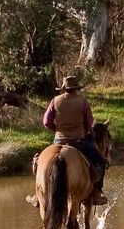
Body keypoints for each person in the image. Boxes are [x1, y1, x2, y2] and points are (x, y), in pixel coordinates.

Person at [43, 72, 107, 205]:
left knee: (40, 162)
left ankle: (38, 195)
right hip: (79, 140)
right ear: (77, 88)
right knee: (101, 161)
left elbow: (46, 122)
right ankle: (96, 192)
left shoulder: (55, 101)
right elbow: (89, 124)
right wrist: (85, 131)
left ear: (64, 88)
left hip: (59, 140)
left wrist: (58, 130)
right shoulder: (83, 102)